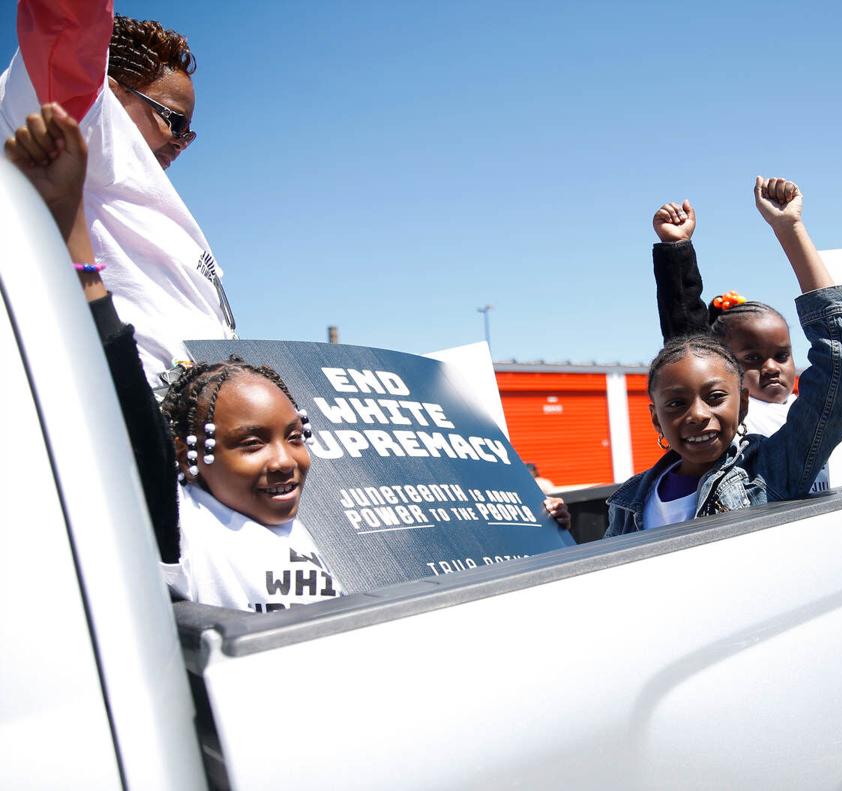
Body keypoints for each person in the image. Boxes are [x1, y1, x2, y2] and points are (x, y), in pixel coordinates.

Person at [5, 104, 571, 608]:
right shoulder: (190, 534)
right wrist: (73, 237)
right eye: (250, 442)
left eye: (296, 435)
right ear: (184, 454)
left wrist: (534, 522)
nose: (284, 460)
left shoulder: (335, 523)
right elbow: (123, 400)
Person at [605, 177, 842, 535]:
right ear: (655, 418)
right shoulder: (630, 502)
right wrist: (676, 253)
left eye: (717, 397)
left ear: (743, 404)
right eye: (675, 404)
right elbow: (690, 356)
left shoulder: (770, 471)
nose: (699, 415)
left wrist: (789, 228)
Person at [0, 0, 235, 387]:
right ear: (108, 93)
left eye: (189, 133)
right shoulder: (85, 122)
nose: (182, 142)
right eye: (174, 121)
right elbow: (68, 17)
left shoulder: (142, 196)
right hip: (116, 412)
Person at [650, 186, 834, 492]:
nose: (772, 368)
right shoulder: (733, 420)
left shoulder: (811, 411)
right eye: (752, 358)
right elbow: (688, 342)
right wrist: (676, 250)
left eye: (782, 355)